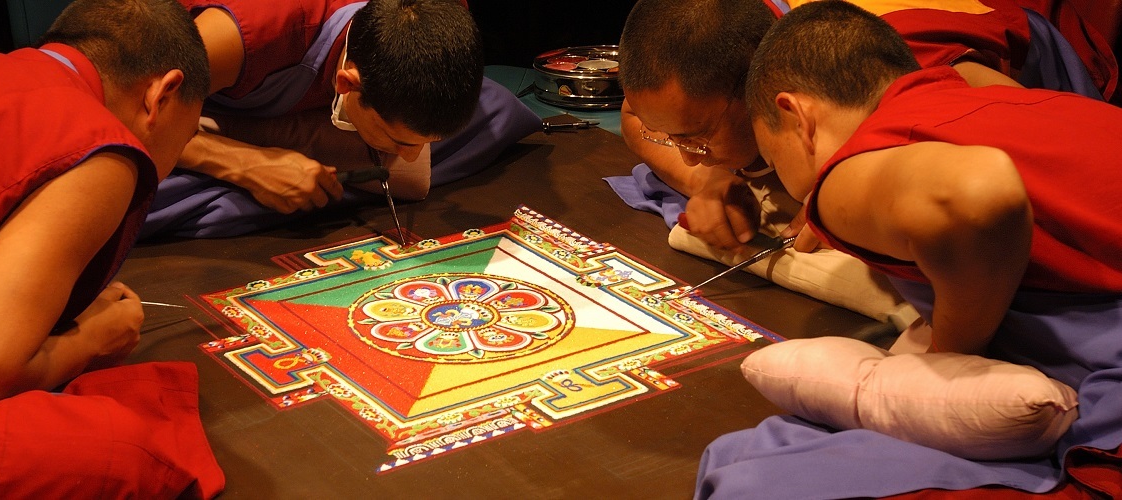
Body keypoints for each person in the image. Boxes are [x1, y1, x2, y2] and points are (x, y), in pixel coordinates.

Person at [696, 1, 1122, 497]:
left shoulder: (849, 170)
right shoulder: (999, 96)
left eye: (770, 156)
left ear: (797, 117)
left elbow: (979, 191)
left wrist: (953, 348)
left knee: (755, 479)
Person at [0, 0, 224, 496]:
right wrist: (90, 341)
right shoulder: (96, 145)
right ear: (161, 95)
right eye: (187, 134)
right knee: (124, 448)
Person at [610, 0, 1117, 328]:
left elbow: (1010, 147)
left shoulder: (894, 60)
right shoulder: (721, 50)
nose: (679, 151)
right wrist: (705, 173)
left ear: (766, 94)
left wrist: (846, 187)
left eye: (696, 136)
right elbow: (635, 113)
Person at [141, 0, 542, 239]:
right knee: (138, 190)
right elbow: (126, 114)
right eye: (398, 138)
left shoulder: (437, 12)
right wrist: (246, 164)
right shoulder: (242, 35)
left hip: (317, 111)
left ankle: (317, 166)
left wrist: (399, 141)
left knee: (496, 110)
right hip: (194, 103)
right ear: (347, 83)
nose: (411, 153)